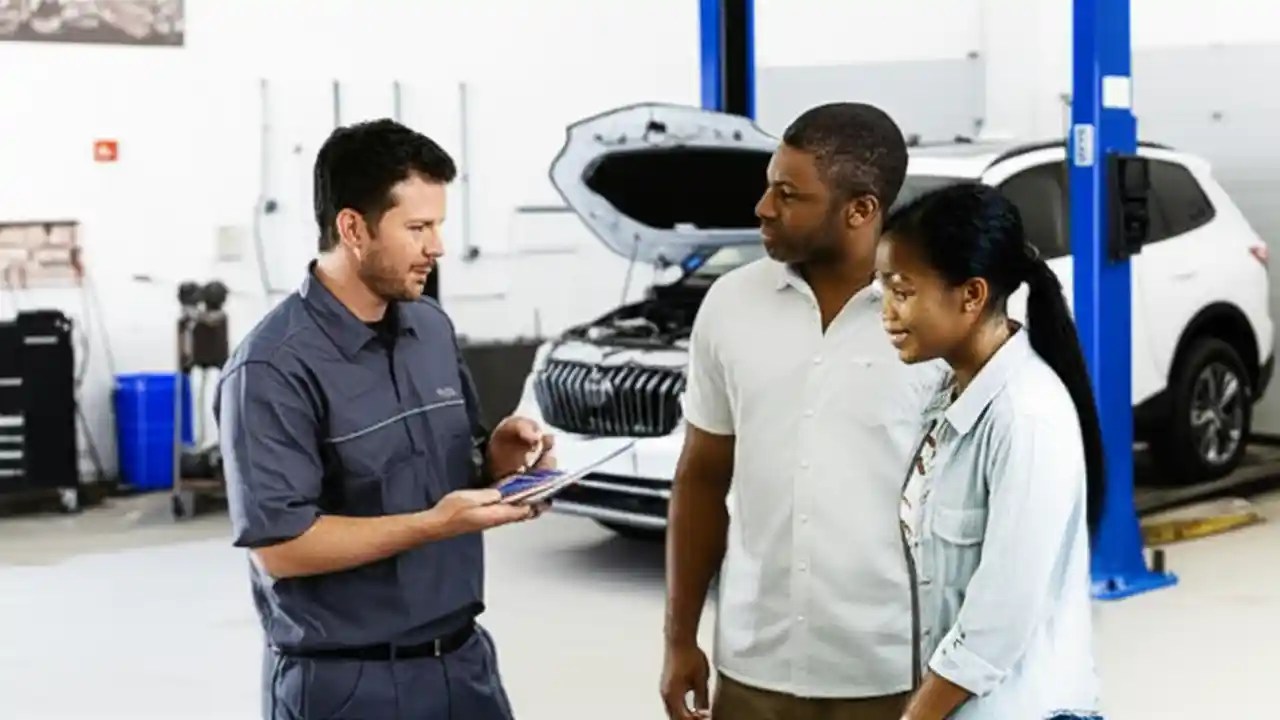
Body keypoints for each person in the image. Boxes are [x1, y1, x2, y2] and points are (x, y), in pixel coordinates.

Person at [215, 118, 553, 719]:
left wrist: (500, 457)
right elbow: (282, 547)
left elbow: (461, 466)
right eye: (418, 227)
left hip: (464, 665)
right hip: (347, 685)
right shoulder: (273, 367)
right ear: (353, 228)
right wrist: (431, 525)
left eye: (439, 225)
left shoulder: (430, 328)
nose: (438, 247)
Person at [660, 102, 948, 720]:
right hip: (751, 668)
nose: (763, 208)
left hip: (894, 672)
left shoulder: (936, 321)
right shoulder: (730, 304)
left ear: (860, 210)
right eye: (769, 186)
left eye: (788, 195)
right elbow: (702, 477)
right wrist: (679, 638)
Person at [874, 182, 1105, 719]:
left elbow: (997, 621)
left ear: (971, 295)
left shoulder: (1025, 416)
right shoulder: (950, 393)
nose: (886, 311)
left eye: (902, 292)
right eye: (881, 289)